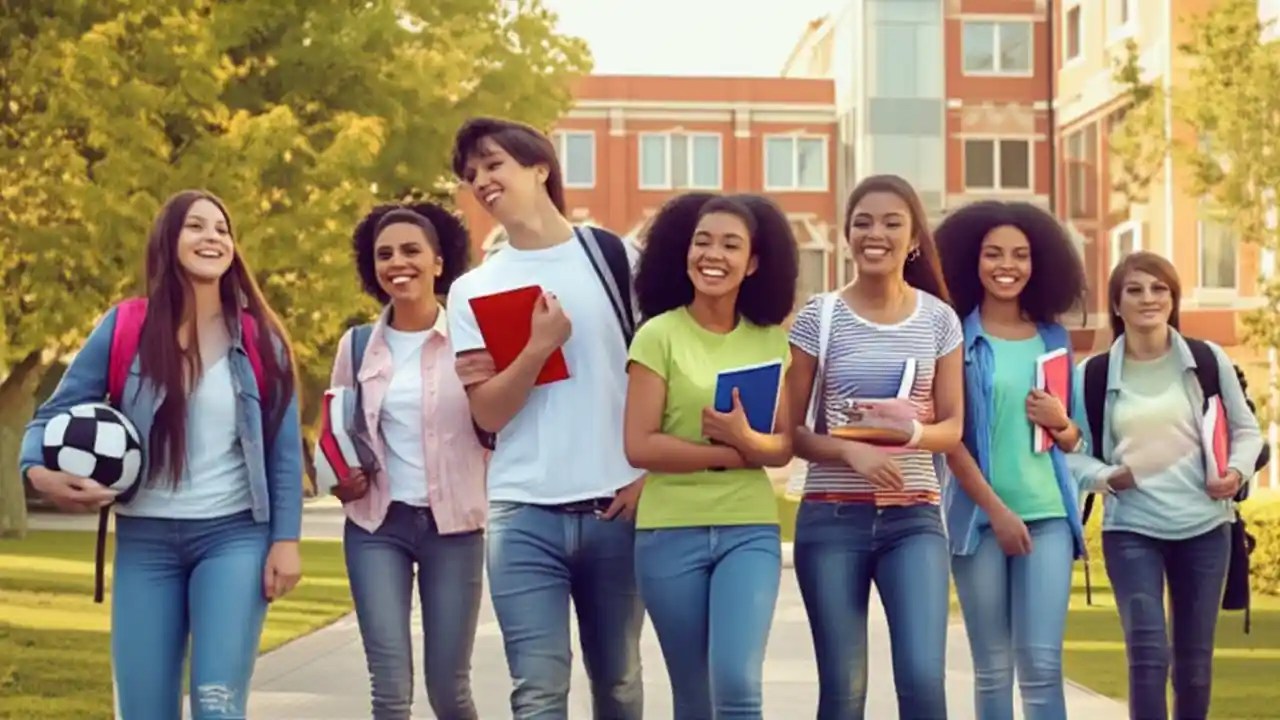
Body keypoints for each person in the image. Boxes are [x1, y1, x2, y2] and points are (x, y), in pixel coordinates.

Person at [19, 189, 303, 719]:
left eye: (222, 229)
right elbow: (49, 417)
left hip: (233, 538)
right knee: (144, 710)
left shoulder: (262, 339)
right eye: (196, 226)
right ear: (169, 240)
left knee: (218, 707)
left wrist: (285, 540)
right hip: (145, 542)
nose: (212, 237)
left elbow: (284, 453)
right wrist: (38, 472)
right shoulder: (125, 327)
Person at [445, 116, 645, 719]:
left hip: (616, 509)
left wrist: (646, 476)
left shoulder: (615, 257)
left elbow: (659, 377)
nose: (481, 179)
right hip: (523, 512)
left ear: (540, 167)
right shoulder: (473, 288)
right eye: (471, 173)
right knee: (537, 692)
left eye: (493, 163)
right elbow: (488, 412)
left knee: (619, 684)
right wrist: (537, 349)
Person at [784, 174, 964, 719]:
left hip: (914, 522)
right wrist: (851, 451)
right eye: (863, 222)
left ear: (913, 238)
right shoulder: (821, 316)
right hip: (832, 518)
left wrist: (907, 434)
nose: (875, 234)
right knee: (843, 690)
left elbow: (952, 429)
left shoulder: (938, 320)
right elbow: (789, 431)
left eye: (891, 223)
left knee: (923, 682)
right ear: (847, 234)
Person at [1067, 250, 1263, 720]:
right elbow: (1071, 451)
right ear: (1117, 304)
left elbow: (1248, 431)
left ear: (1173, 299)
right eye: (1134, 290)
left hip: (1205, 530)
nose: (1148, 298)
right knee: (1148, 657)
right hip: (1132, 531)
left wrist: (1235, 472)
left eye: (1159, 289)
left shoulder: (1207, 359)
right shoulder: (1091, 375)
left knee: (1194, 667)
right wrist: (1104, 476)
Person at [623, 192, 798, 719]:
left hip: (748, 529)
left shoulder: (771, 342)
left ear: (753, 263)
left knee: (738, 682)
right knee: (694, 696)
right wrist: (728, 450)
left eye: (730, 245)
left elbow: (783, 444)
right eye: (702, 242)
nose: (713, 255)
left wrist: (747, 442)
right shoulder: (658, 336)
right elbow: (639, 444)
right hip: (668, 532)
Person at [327, 202, 488, 719]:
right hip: (377, 526)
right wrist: (339, 477)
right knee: (390, 690)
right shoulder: (355, 346)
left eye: (412, 251)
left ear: (439, 262)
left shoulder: (474, 339)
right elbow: (335, 431)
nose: (398, 262)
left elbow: (502, 425)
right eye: (384, 254)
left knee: (449, 689)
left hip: (455, 529)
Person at [935, 200, 1088, 720]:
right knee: (994, 669)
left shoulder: (1053, 338)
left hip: (1047, 515)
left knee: (1043, 667)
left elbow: (1073, 439)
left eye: (1020, 255)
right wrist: (997, 511)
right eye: (993, 254)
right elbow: (949, 439)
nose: (1008, 265)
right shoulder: (956, 336)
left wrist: (1059, 420)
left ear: (1036, 263)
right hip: (979, 521)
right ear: (971, 262)